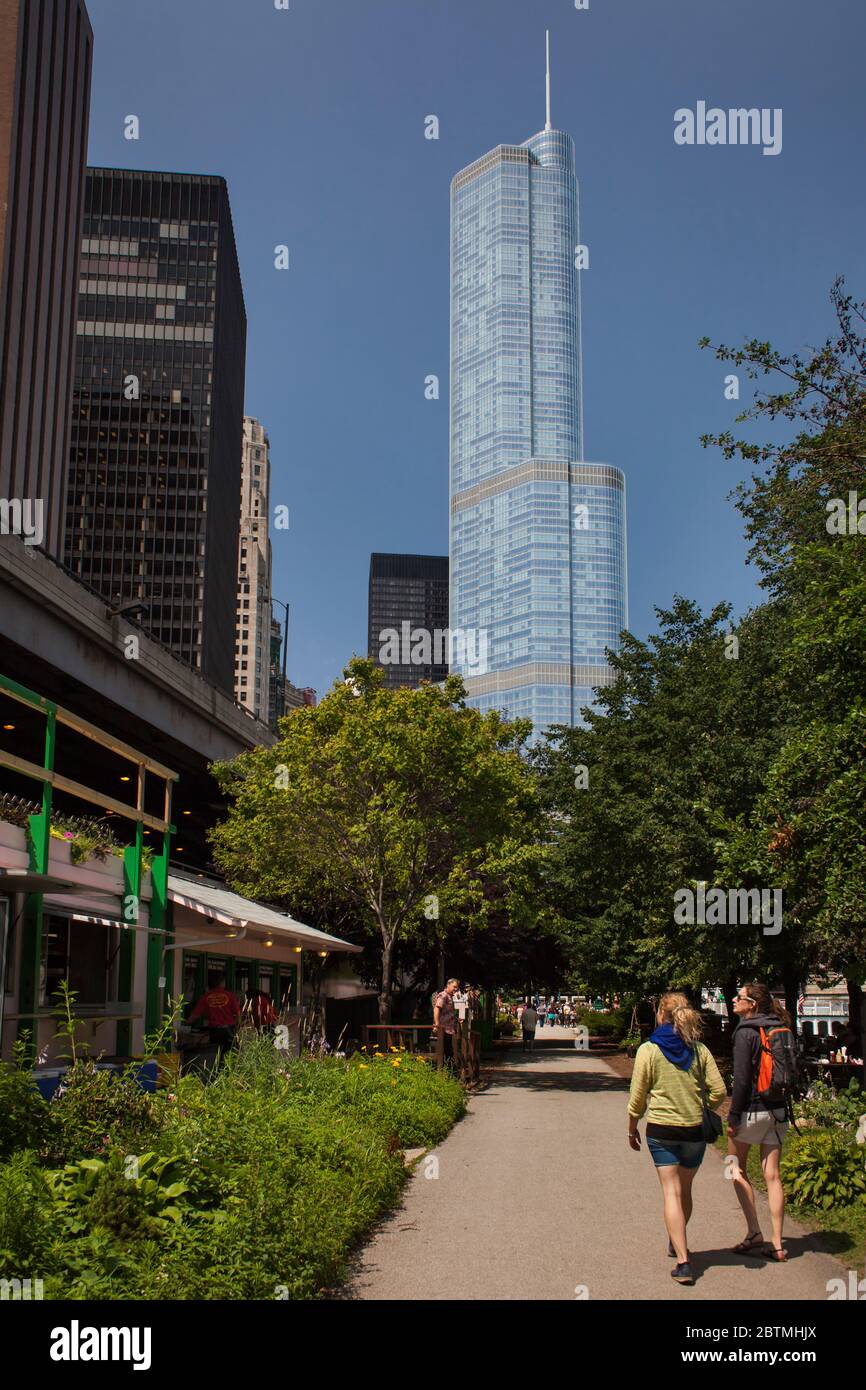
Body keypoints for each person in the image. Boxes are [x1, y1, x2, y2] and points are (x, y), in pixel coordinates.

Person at [627, 991, 726, 1286]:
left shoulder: (649, 1049)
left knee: (670, 1193)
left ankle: (683, 1262)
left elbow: (638, 1096)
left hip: (662, 1130)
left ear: (661, 1015)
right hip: (694, 1130)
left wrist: (632, 1127)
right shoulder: (699, 1050)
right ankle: (678, 1238)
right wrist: (704, 1107)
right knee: (685, 1190)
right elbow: (719, 1090)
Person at [727, 983, 795, 1263]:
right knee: (773, 1176)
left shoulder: (746, 1032)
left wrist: (733, 1116)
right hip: (778, 1110)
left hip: (752, 1109)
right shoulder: (781, 1027)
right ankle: (778, 1243)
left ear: (752, 1004)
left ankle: (754, 1231)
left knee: (734, 1167)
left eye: (739, 998)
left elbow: (741, 1080)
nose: (733, 1000)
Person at [189, 973, 240, 1065]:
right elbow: (238, 1014)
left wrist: (185, 1023)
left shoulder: (205, 997)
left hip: (214, 1032)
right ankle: (229, 1076)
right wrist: (236, 1027)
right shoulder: (230, 995)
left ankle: (217, 1075)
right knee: (232, 1056)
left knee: (216, 1056)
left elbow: (195, 1015)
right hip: (229, 1030)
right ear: (222, 983)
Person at [433, 978, 460, 1070]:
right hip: (443, 1029)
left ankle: (448, 1073)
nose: (456, 989)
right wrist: (436, 1024)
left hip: (448, 1029)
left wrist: (456, 1019)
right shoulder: (443, 995)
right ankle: (448, 1074)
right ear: (448, 985)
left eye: (457, 987)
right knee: (446, 1052)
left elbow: (448, 1013)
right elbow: (437, 1008)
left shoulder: (449, 996)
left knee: (448, 1051)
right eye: (454, 987)